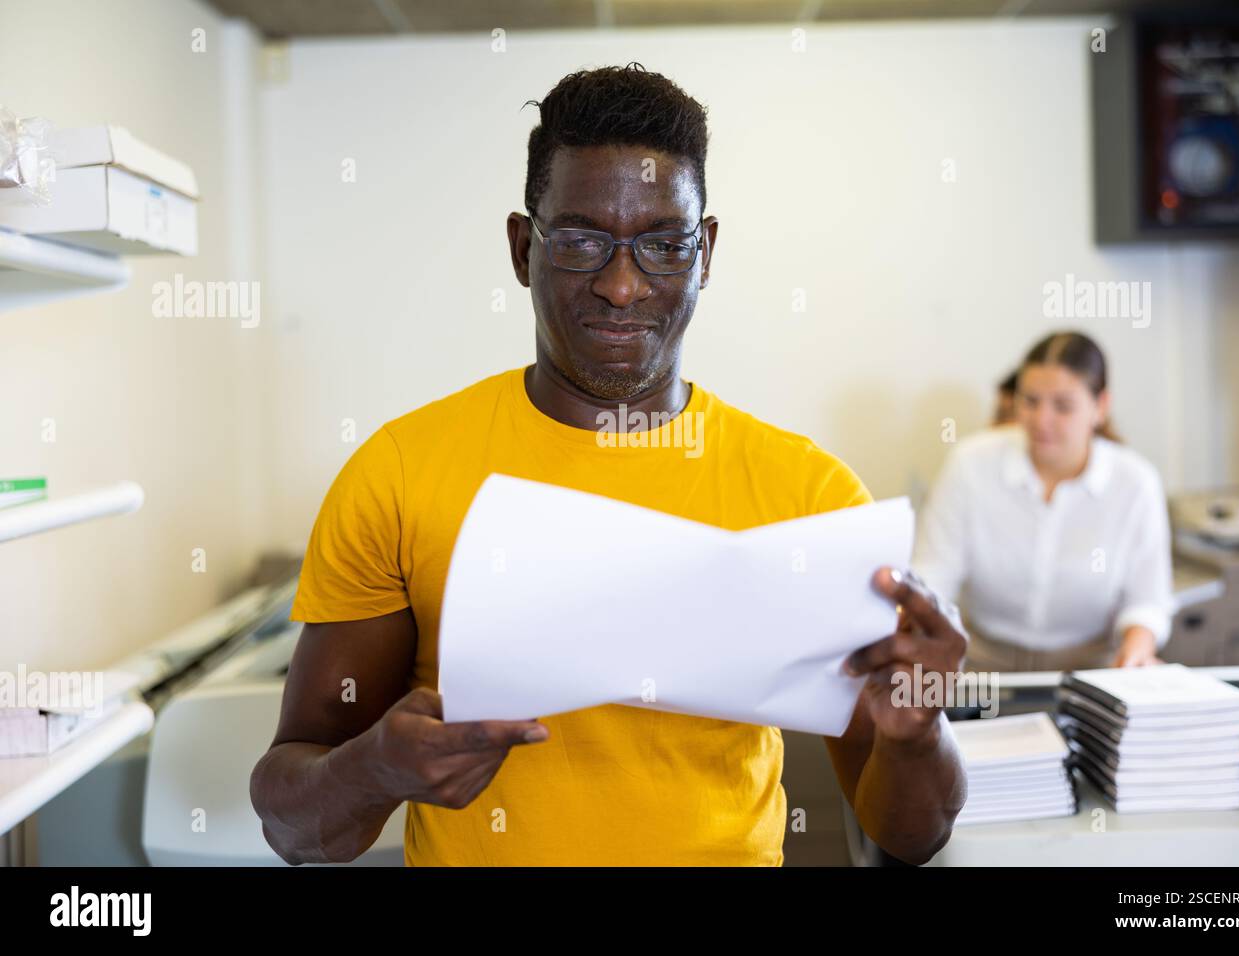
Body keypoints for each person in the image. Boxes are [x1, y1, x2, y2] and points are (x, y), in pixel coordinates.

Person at [249, 63, 967, 867]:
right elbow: (295, 825)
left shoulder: (809, 494)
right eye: (583, 240)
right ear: (524, 248)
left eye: (663, 245)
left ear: (706, 253)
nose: (623, 287)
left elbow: (913, 836)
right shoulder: (399, 473)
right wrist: (374, 768)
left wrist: (916, 731)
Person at [912, 331, 1173, 672]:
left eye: (1062, 406)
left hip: (1090, 669)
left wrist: (1137, 648)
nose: (1041, 421)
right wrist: (917, 640)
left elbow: (1148, 601)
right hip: (981, 665)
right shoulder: (970, 464)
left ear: (1100, 407)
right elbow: (933, 575)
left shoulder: (1135, 483)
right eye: (1030, 401)